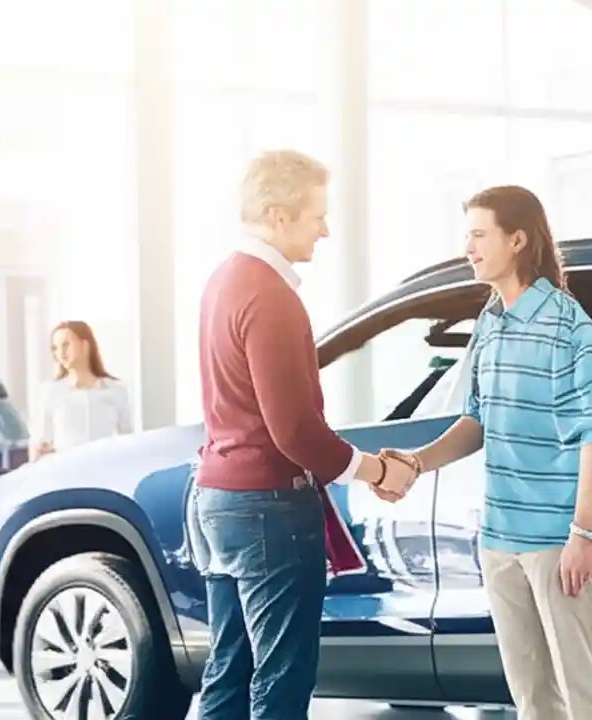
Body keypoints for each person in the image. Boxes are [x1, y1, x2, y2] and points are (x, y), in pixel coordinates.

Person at [380, 185, 592, 719]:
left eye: (478, 235)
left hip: (556, 542)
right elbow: (477, 421)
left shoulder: (569, 325)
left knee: (585, 696)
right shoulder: (490, 321)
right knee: (531, 697)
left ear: (517, 240)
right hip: (499, 540)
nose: (467, 248)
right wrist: (417, 462)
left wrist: (583, 535)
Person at [191, 149, 404, 720]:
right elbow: (292, 430)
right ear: (278, 215)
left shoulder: (223, 280)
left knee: (229, 670)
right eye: (317, 216)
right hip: (267, 506)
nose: (325, 230)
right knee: (282, 678)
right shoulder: (268, 294)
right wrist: (375, 470)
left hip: (220, 497)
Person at [30, 320, 132, 459]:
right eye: (55, 348)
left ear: (85, 345)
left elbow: (128, 440)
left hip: (104, 466)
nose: (61, 353)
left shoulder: (115, 391)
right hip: (66, 468)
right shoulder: (50, 392)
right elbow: (41, 442)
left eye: (66, 345)